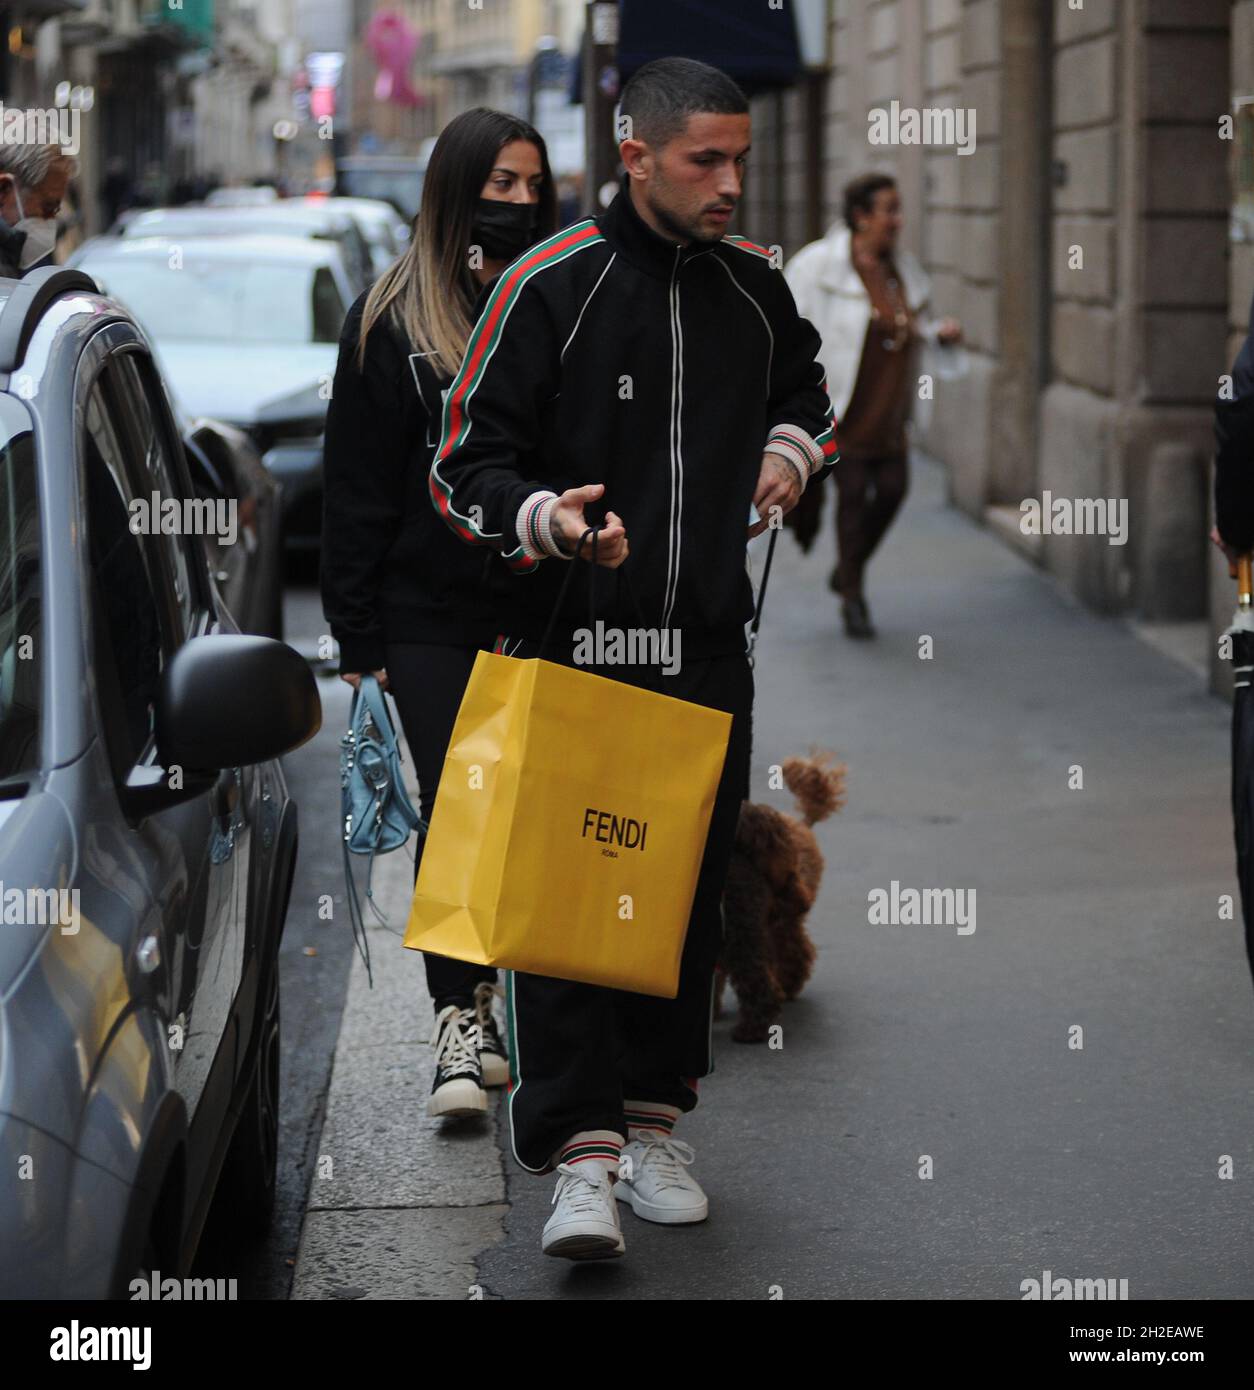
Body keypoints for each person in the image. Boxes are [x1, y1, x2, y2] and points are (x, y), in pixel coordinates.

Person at [429, 56, 836, 1260]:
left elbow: (810, 396)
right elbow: (464, 463)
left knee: (678, 907)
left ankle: (655, 1130)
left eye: (741, 161)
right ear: (637, 155)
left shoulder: (755, 286)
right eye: (706, 160)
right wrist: (548, 517)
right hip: (571, 644)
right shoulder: (549, 284)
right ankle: (580, 1163)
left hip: (705, 645)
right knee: (565, 913)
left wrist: (785, 454)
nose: (729, 183)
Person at [320, 108, 558, 1120]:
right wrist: (358, 636)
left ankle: (508, 996)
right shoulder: (388, 319)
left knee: (521, 808)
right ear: (457, 187)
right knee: (464, 801)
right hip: (424, 612)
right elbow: (357, 486)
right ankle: (460, 1020)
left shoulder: (556, 303)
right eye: (499, 183)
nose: (517, 201)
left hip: (541, 600)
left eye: (530, 185)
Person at [785, 173, 961, 638]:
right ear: (862, 216)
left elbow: (910, 323)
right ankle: (853, 598)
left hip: (890, 412)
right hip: (843, 409)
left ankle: (847, 568)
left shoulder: (899, 270)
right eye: (890, 210)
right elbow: (789, 332)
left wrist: (939, 333)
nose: (899, 221)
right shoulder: (817, 266)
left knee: (893, 490)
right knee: (852, 497)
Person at [0, 146, 74, 278]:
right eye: (48, 206)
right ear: (4, 189)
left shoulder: (19, 250)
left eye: (56, 209)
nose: (51, 219)